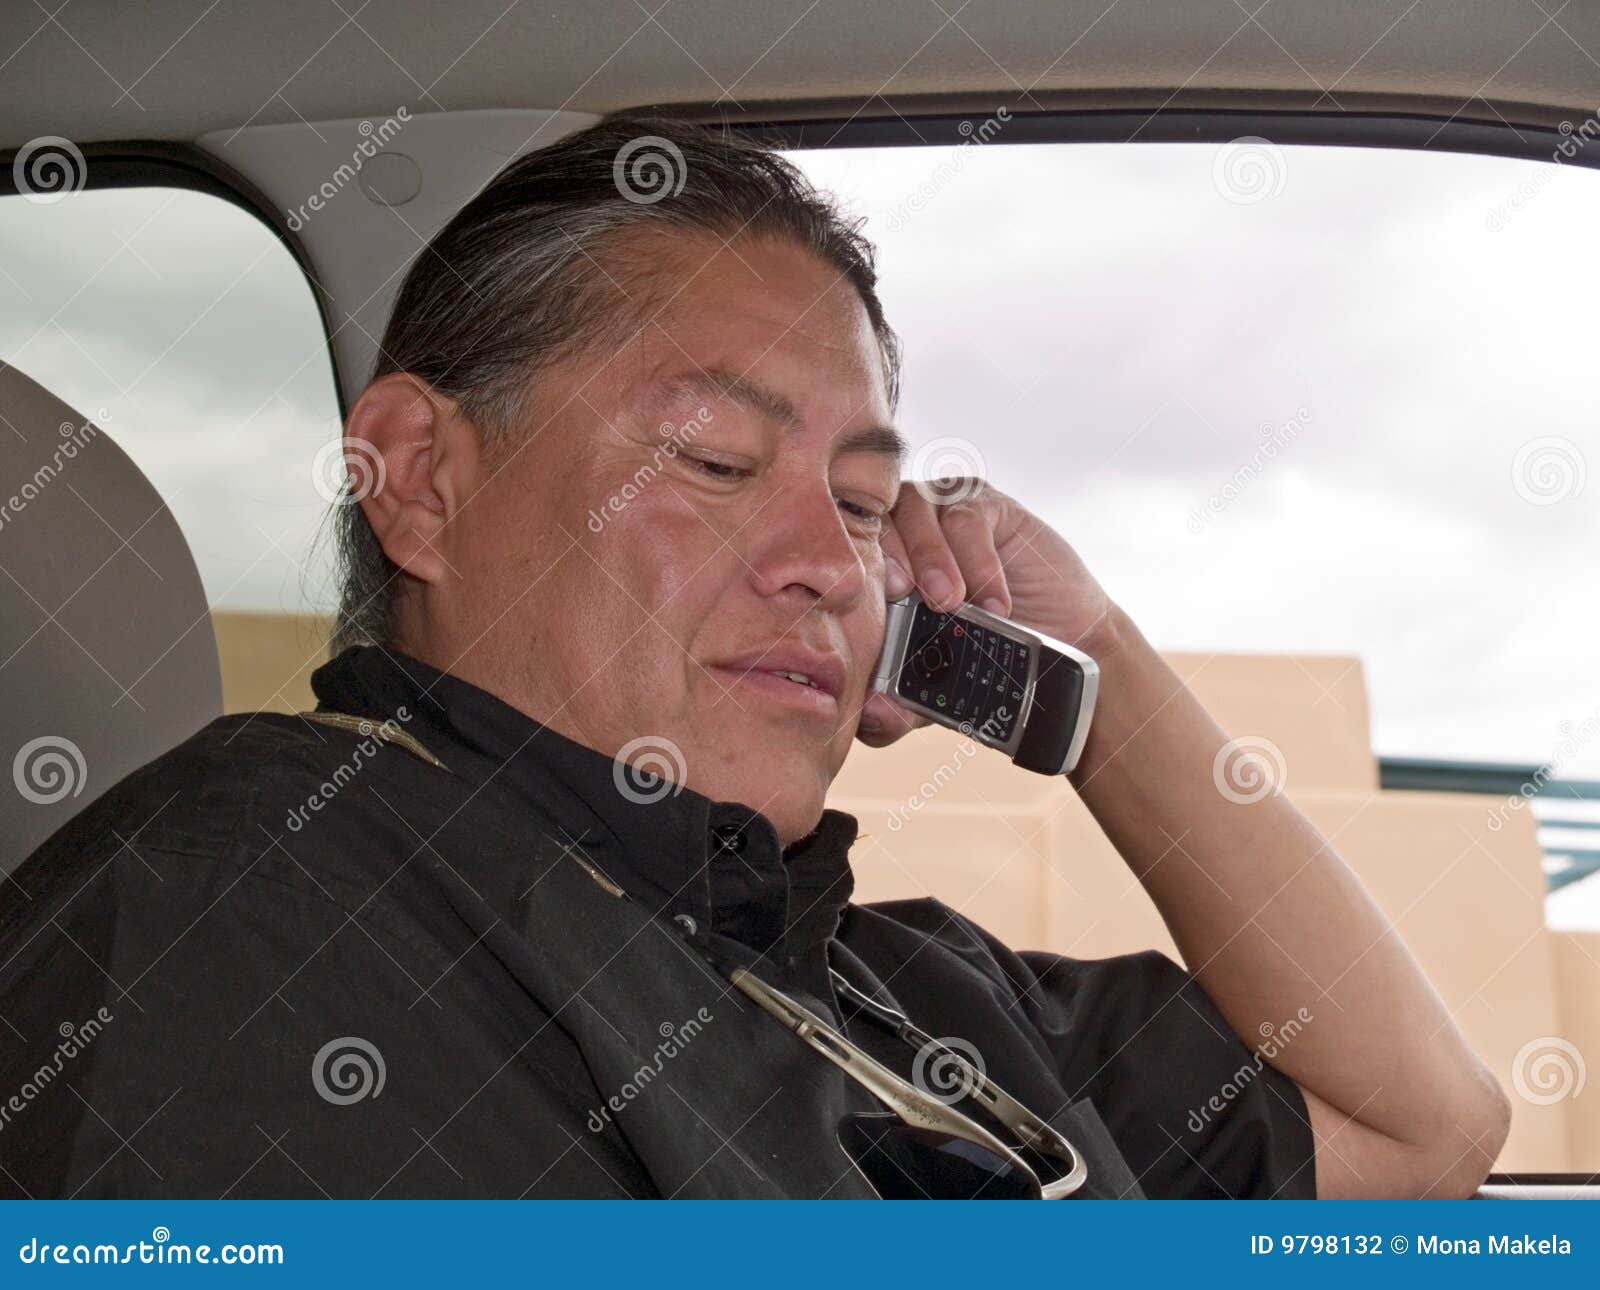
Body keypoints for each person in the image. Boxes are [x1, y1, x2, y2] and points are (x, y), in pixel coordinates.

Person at [0, 117, 1508, 1199]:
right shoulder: (266, 893)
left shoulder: (918, 990)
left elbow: (1422, 1132)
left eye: (862, 507)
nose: (824, 566)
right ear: (420, 478)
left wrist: (1096, 665)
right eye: (717, 459)